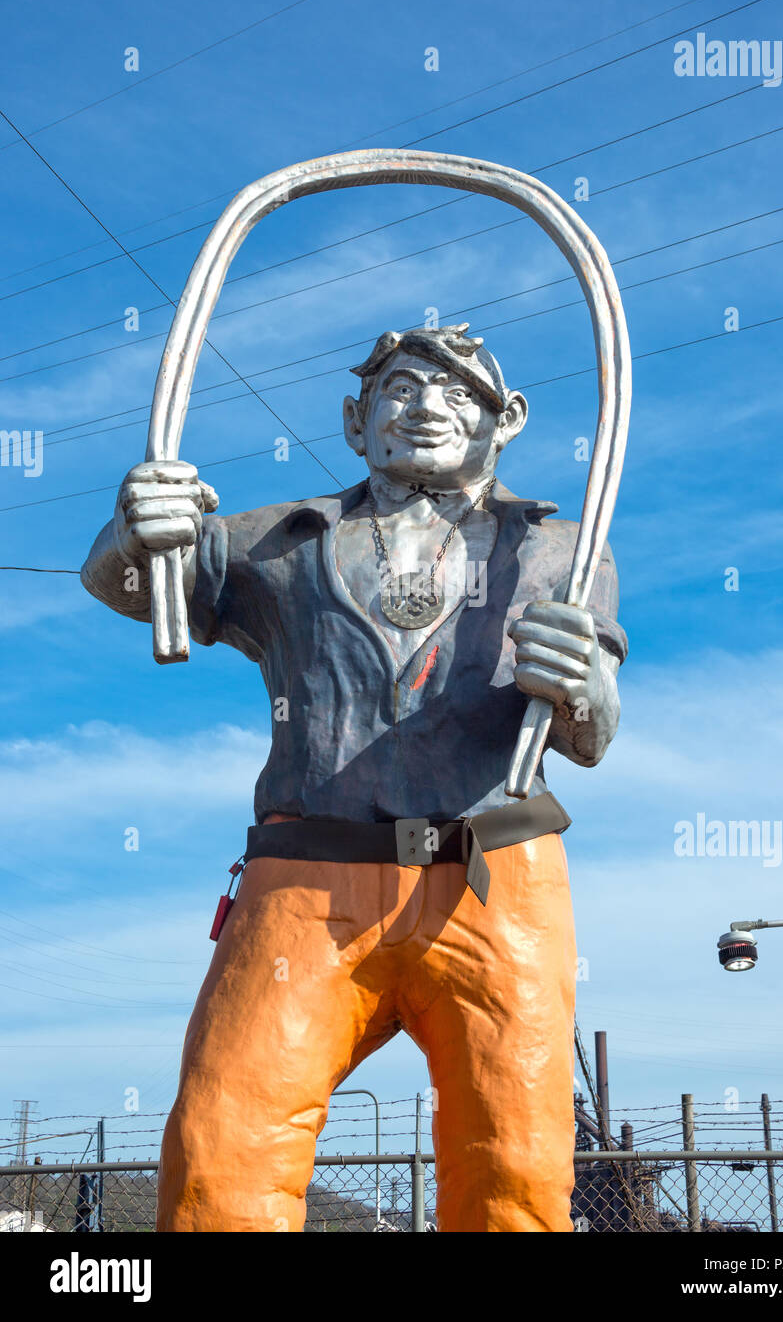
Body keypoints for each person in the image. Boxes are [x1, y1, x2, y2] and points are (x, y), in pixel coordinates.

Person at [81, 322, 627, 1232]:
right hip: (307, 876)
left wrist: (585, 685)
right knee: (225, 1149)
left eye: (461, 394)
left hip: (495, 879)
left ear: (509, 419)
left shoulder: (564, 553)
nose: (427, 408)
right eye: (402, 389)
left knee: (517, 1170)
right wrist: (134, 529)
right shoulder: (277, 544)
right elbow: (134, 585)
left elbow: (591, 737)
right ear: (355, 419)